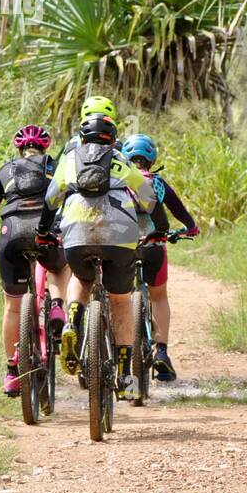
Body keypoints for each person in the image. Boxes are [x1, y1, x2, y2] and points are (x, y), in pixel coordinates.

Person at [37, 113, 157, 400]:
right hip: (119, 236)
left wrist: (43, 231)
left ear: (81, 139)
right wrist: (160, 228)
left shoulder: (69, 160)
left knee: (80, 276)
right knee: (120, 301)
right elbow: (149, 197)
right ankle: (126, 378)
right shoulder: (121, 161)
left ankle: (72, 323)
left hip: (77, 236)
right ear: (113, 140)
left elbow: (51, 199)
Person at [0, 126, 71, 397]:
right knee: (59, 267)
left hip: (11, 234)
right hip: (46, 229)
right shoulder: (55, 166)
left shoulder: (6, 170)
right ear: (46, 148)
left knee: (13, 307)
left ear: (19, 149)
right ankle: (56, 308)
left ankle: (11, 372)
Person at [121, 133, 200, 382]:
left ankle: (119, 352)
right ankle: (162, 352)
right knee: (159, 296)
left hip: (123, 247)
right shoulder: (157, 182)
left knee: (119, 299)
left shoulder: (119, 181)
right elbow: (181, 214)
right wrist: (190, 229)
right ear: (152, 159)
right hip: (154, 246)